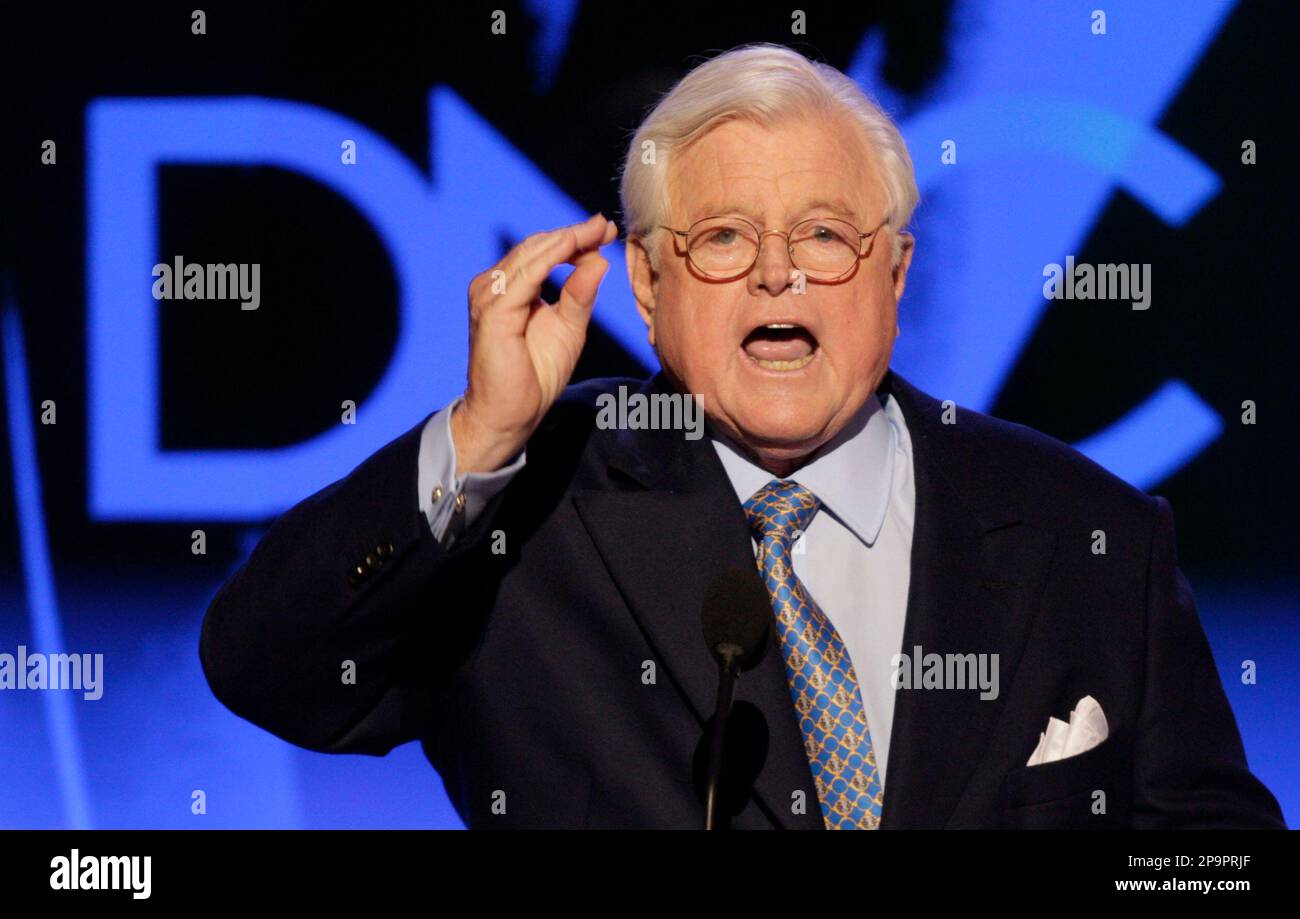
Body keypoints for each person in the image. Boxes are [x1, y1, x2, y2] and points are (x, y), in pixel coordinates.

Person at [199, 43, 1285, 829]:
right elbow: (268, 668)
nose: (776, 271)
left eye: (822, 232)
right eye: (720, 237)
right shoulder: (526, 515)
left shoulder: (1084, 531)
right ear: (648, 285)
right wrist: (481, 437)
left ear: (894, 273)